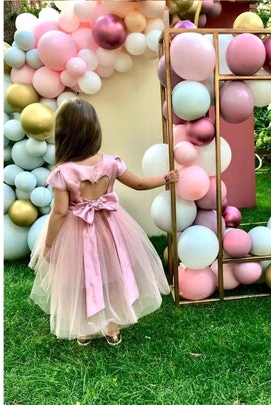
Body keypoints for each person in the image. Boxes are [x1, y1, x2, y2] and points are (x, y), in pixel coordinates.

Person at [29, 98, 178, 347]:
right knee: (113, 274)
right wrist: (165, 178)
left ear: (64, 135)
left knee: (80, 277)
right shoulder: (111, 162)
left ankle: (85, 329)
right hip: (111, 228)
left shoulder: (62, 172)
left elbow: (60, 213)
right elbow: (140, 183)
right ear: (94, 131)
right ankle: (112, 326)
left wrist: (49, 244)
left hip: (76, 232)